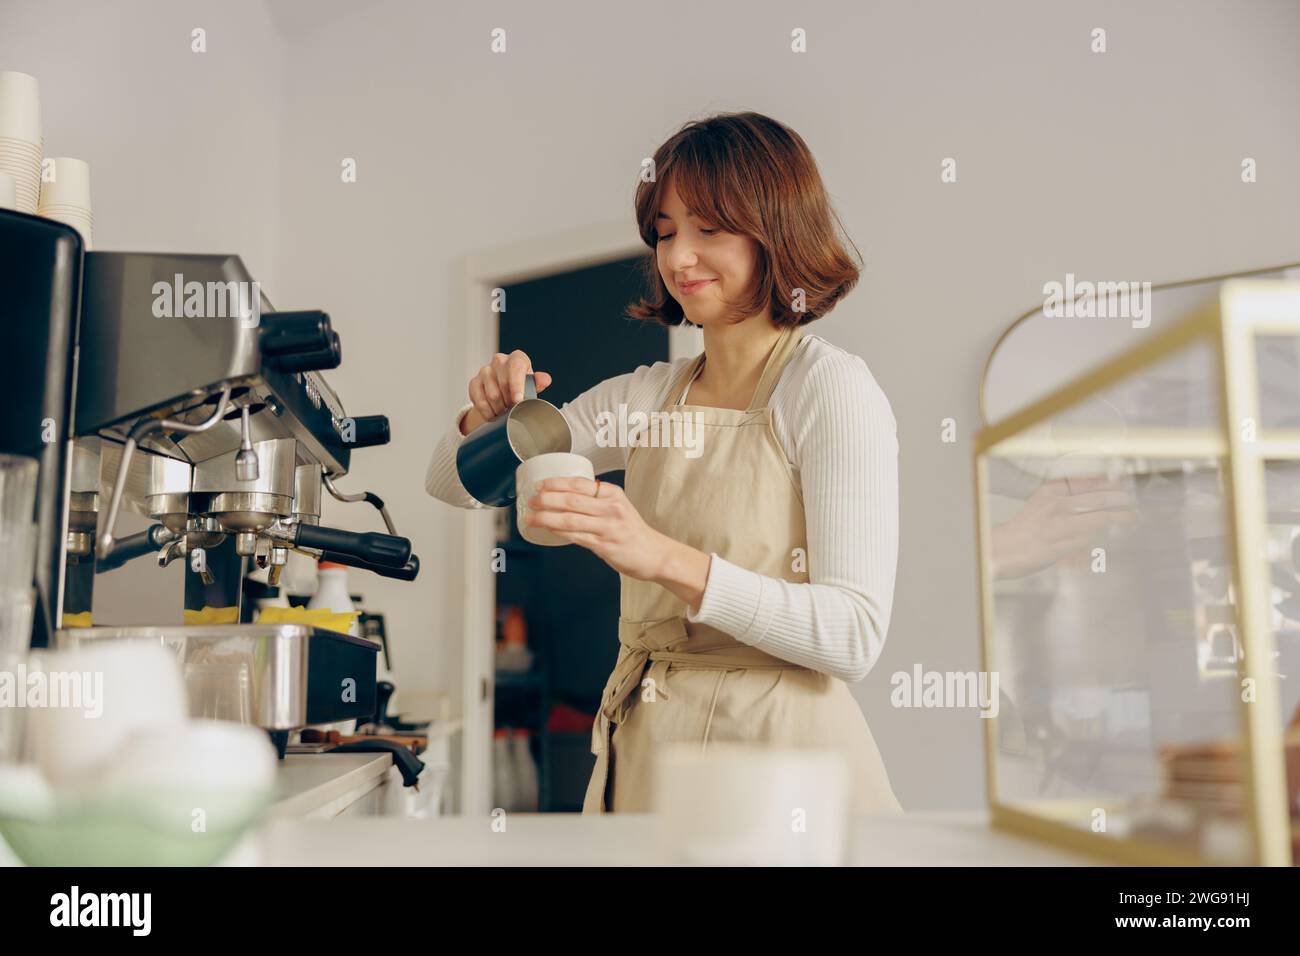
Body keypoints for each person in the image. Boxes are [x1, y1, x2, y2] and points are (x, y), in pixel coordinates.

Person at [425, 111, 902, 815]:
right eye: (667, 231)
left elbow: (853, 635)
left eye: (710, 228)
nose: (679, 258)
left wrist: (661, 557)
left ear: (779, 227)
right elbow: (452, 487)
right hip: (648, 743)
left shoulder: (828, 386)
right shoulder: (645, 395)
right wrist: (486, 420)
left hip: (780, 763)